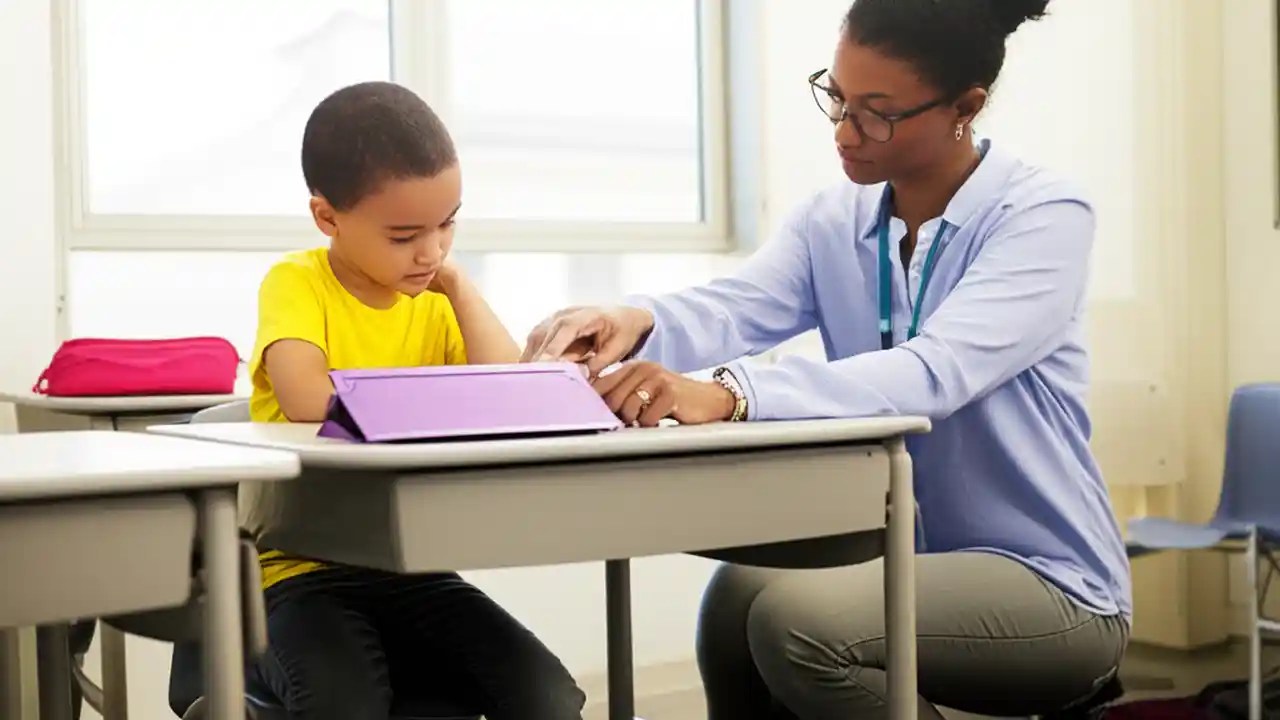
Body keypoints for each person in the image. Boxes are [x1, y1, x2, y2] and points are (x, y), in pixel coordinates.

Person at [521, 0, 1130, 717]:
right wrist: (633, 321)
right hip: (902, 555)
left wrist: (729, 395)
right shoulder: (832, 220)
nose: (844, 131)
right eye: (837, 98)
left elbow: (935, 372)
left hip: (1050, 584)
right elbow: (738, 306)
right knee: (734, 599)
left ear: (965, 107)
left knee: (798, 625)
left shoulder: (1041, 217)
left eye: (878, 113)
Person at [238, 81, 585, 720]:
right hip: (301, 574)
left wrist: (458, 287)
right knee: (346, 706)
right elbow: (306, 397)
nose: (432, 250)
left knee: (549, 698)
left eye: (447, 224)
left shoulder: (434, 295)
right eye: (403, 236)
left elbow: (514, 391)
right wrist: (438, 401)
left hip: (411, 567)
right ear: (328, 218)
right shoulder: (297, 282)